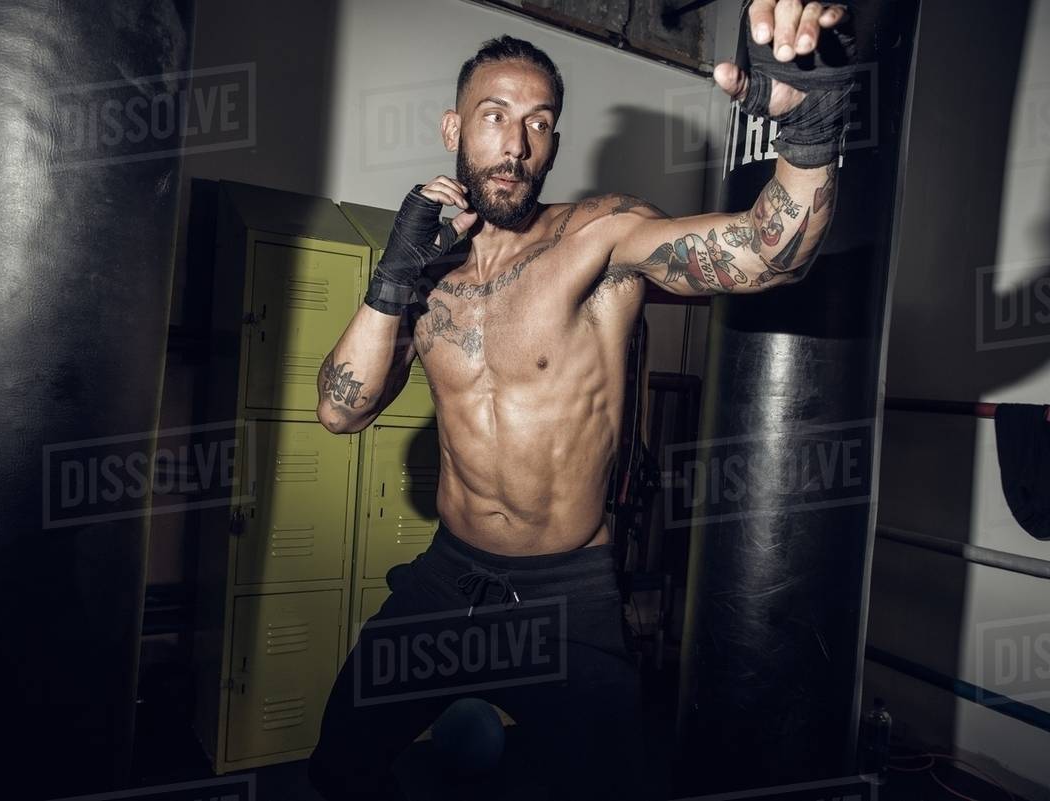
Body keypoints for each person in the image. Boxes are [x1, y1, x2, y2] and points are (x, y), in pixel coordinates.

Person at [310, 3, 855, 798]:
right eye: (495, 115)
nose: (516, 142)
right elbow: (340, 410)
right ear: (454, 128)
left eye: (539, 122)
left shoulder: (599, 239)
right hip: (446, 580)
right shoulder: (427, 280)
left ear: (555, 143)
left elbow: (768, 256)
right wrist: (393, 278)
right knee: (339, 766)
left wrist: (809, 135)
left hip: (564, 599)